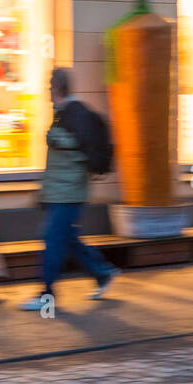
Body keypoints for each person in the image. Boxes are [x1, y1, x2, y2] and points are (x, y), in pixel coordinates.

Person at [21, 67, 118, 310]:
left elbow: (79, 154)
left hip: (69, 193)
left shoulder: (76, 115)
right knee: (67, 239)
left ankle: (47, 297)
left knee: (53, 240)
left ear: (56, 88)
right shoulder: (63, 113)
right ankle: (102, 272)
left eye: (48, 86)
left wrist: (58, 141)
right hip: (59, 191)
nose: (46, 91)